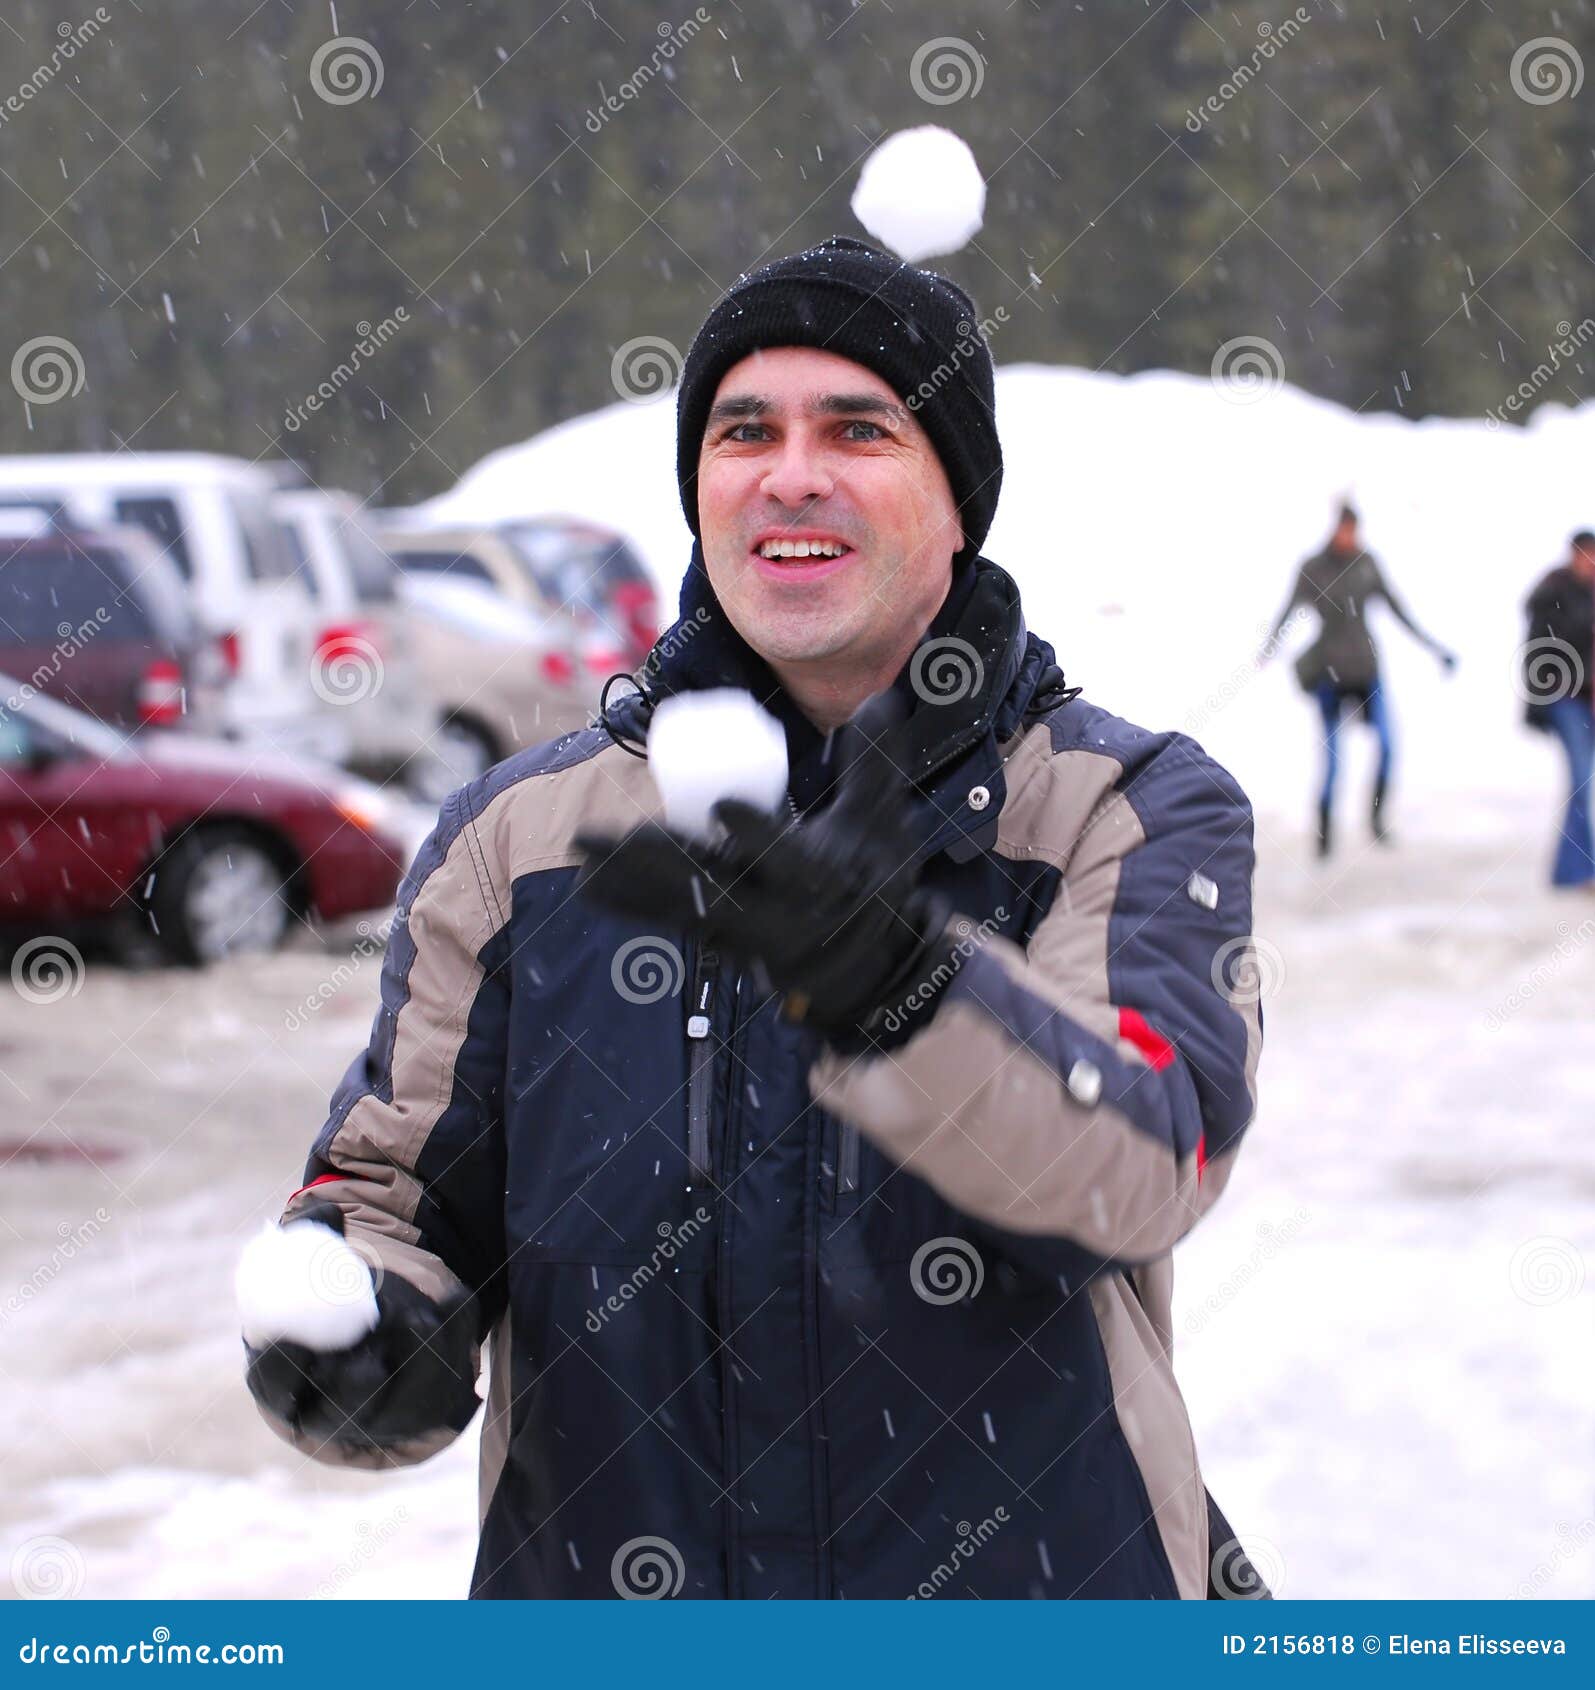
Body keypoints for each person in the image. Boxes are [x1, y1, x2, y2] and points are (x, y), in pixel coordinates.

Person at [244, 236, 1268, 1600]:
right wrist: (364, 1338)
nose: (791, 472)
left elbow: (1142, 1161)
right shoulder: (516, 842)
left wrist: (898, 990)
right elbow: (396, 1203)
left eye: (859, 427)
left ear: (955, 497)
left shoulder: (1118, 805)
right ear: (699, 488)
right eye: (743, 431)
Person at [1263, 502, 1456, 857]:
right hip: (1329, 672)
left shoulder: (1366, 564)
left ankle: (1376, 818)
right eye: (1344, 529)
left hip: (1366, 668)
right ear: (1335, 528)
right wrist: (1269, 647)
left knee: (1387, 745)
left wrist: (1433, 646)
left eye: (1354, 530)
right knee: (1333, 757)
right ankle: (1324, 831)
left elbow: (1398, 608)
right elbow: (1287, 609)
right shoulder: (1314, 567)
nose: (1349, 536)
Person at [1521, 530, 1595, 890]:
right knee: (1581, 778)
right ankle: (1578, 871)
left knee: (1583, 783)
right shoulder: (1554, 593)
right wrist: (1537, 703)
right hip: (1565, 699)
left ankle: (1568, 871)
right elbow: (1538, 651)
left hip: (1590, 701)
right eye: (1585, 556)